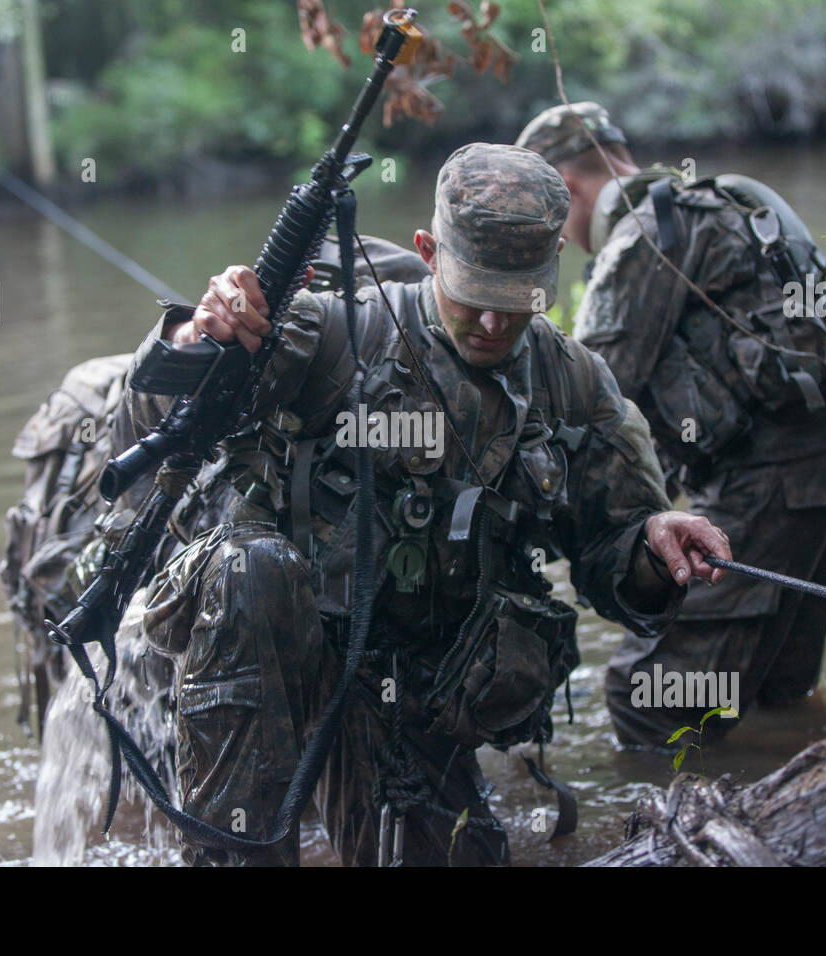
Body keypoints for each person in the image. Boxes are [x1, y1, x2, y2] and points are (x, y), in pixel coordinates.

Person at [111, 143, 732, 866]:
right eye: (476, 297)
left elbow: (615, 562)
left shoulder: (577, 387)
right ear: (428, 250)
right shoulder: (335, 333)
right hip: (271, 651)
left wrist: (656, 544)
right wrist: (200, 334)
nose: (496, 326)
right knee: (254, 567)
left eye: (517, 300)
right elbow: (163, 417)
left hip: (405, 697)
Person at [516, 102, 826, 748]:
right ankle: (789, 801)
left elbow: (584, 402)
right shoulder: (730, 203)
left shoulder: (639, 239)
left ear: (565, 189)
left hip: (760, 492)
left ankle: (692, 835)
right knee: (773, 696)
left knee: (644, 700)